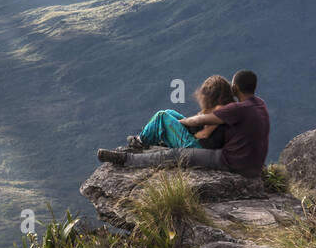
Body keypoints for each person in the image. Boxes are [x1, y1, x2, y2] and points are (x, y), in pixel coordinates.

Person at [97, 69, 270, 178]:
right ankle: (147, 138)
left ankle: (127, 159)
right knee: (169, 114)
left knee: (173, 152)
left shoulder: (236, 109)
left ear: (235, 88)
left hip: (230, 162)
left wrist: (175, 123)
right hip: (247, 163)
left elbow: (201, 124)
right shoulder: (258, 104)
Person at [130, 75, 234, 151]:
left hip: (197, 148)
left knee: (161, 116)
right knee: (169, 112)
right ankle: (155, 135)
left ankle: (140, 141)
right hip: (199, 143)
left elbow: (203, 135)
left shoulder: (221, 111)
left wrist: (178, 125)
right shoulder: (227, 108)